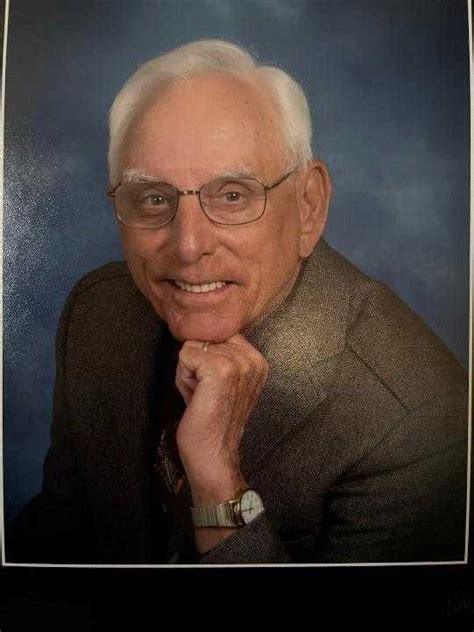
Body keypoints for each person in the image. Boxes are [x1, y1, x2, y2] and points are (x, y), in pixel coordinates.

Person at [7, 39, 467, 565]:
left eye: (232, 195)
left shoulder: (416, 420)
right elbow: (52, 550)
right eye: (154, 198)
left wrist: (217, 482)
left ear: (309, 206)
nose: (188, 246)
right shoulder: (98, 313)